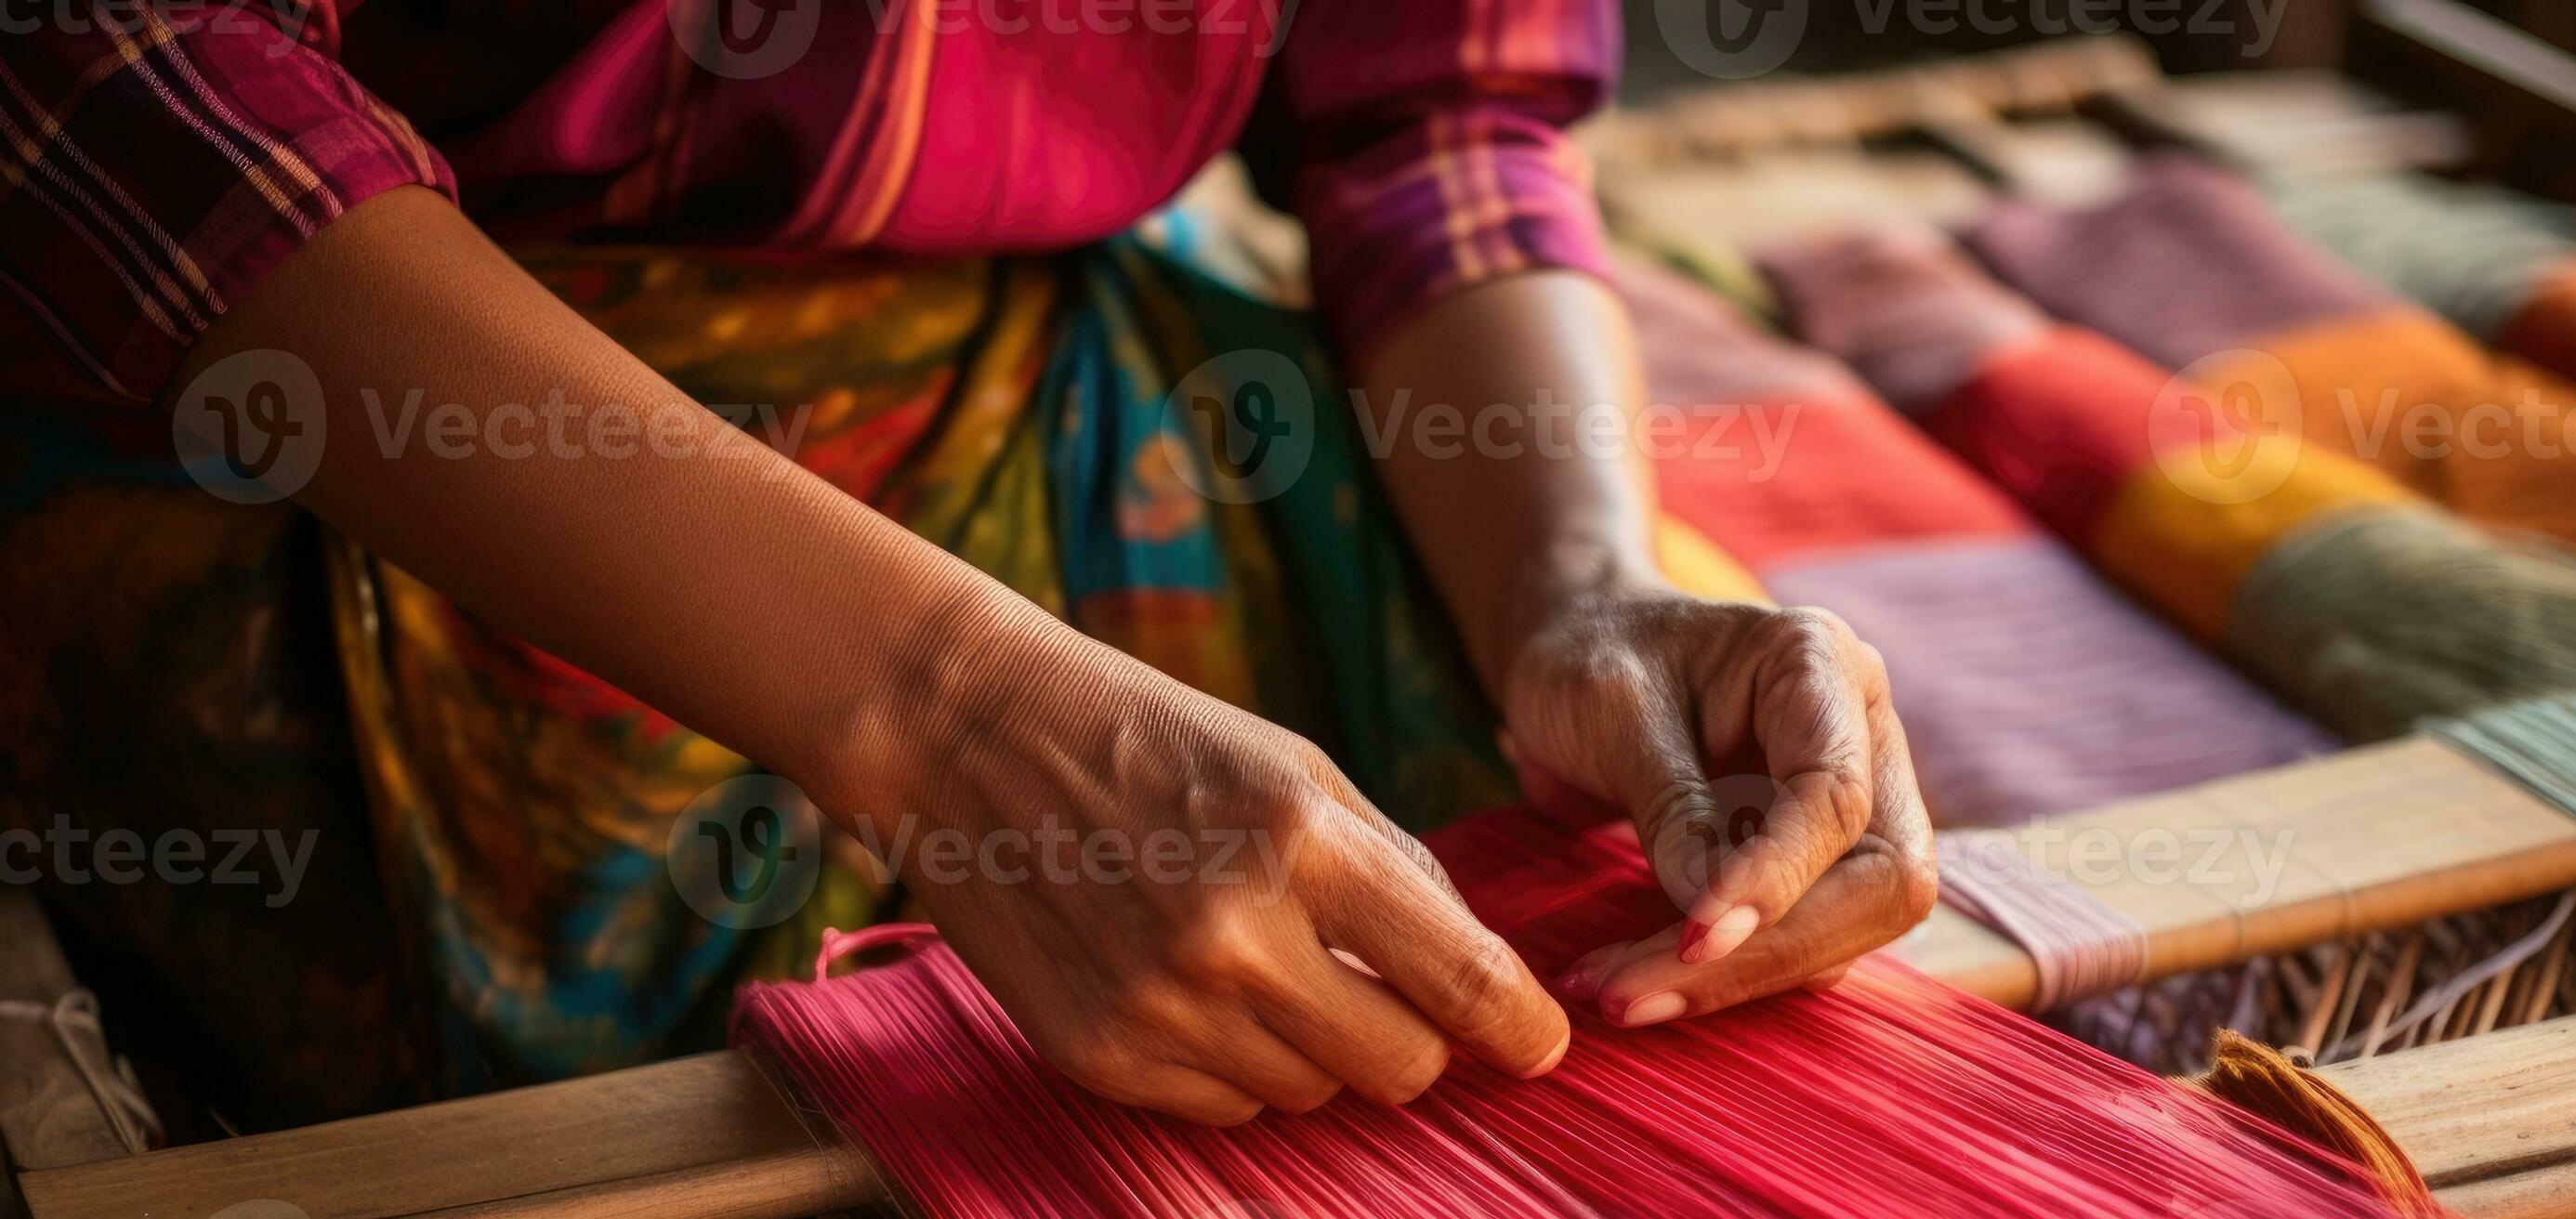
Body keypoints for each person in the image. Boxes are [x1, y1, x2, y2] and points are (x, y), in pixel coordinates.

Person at [0, 0, 1932, 1126]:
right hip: (349, 439)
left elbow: (1440, 101)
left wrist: (1576, 586)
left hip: (1062, 418)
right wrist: (948, 707)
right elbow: (106, 80)